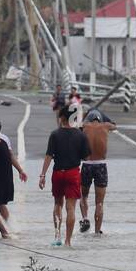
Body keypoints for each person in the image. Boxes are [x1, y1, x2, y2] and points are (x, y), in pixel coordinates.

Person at [38, 105, 90, 247]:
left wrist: (42, 175)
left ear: (62, 118)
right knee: (71, 208)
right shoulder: (81, 135)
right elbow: (86, 157)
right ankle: (68, 241)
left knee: (57, 204)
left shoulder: (54, 134)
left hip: (58, 173)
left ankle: (57, 236)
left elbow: (49, 156)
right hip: (73, 173)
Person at [80, 109, 118, 235]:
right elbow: (115, 126)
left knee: (84, 196)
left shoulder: (85, 125)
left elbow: (76, 124)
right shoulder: (106, 126)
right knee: (99, 202)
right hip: (101, 165)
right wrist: (106, 118)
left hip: (86, 165)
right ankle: (97, 231)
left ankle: (85, 218)